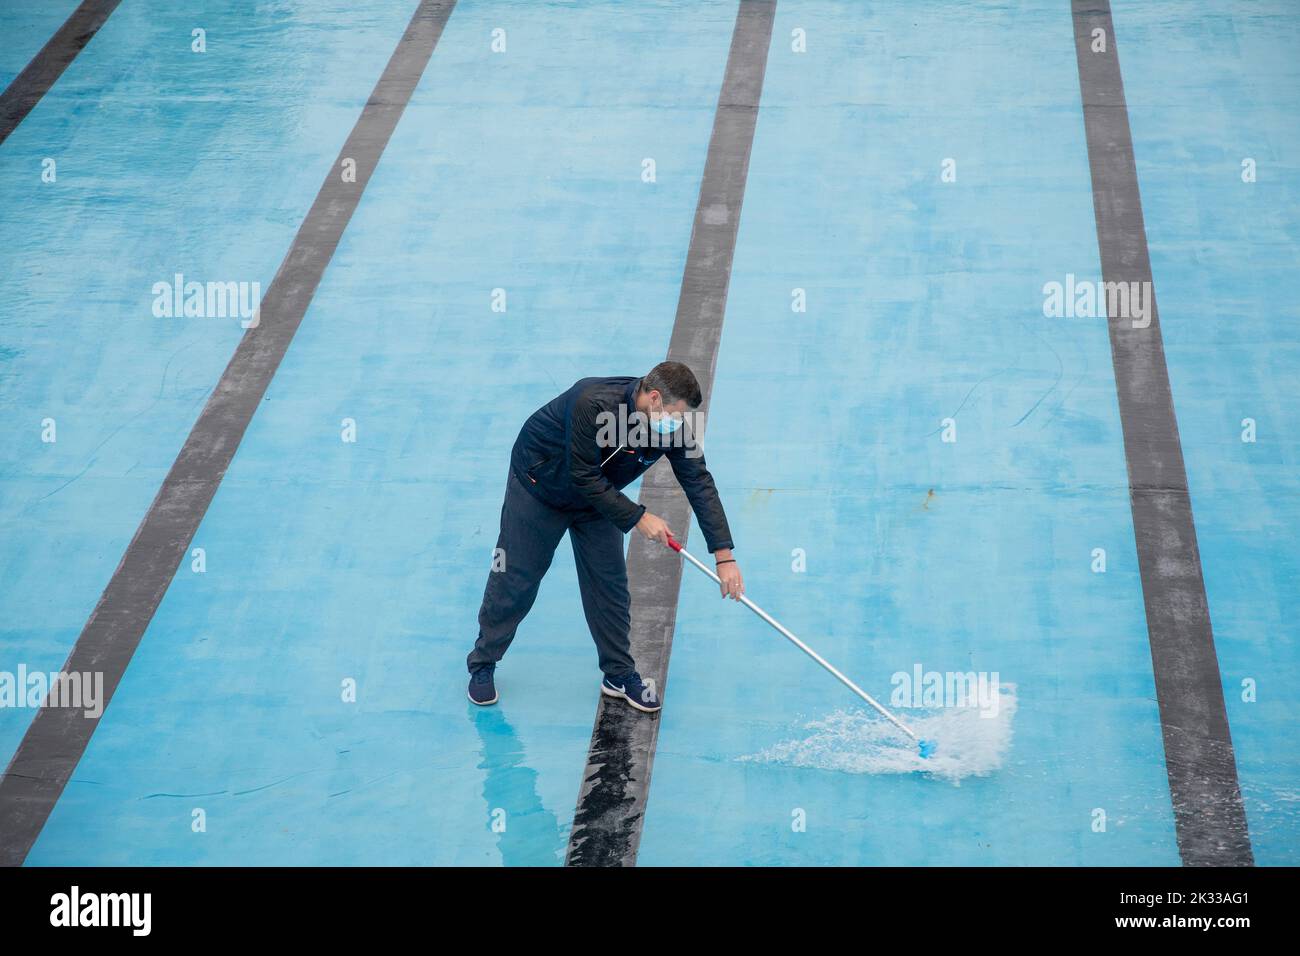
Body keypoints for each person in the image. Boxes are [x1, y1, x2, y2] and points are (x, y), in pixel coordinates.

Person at [466, 361, 743, 711]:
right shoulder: (592, 403)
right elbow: (583, 475)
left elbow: (699, 483)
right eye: (675, 414)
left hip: (600, 500)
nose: (678, 424)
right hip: (540, 488)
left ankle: (618, 673)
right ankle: (483, 663)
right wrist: (638, 518)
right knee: (516, 578)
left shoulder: (670, 428)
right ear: (654, 398)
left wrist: (724, 556)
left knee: (609, 587)